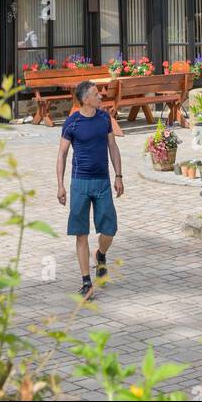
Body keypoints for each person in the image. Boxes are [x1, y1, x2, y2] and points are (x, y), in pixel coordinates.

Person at [56, 80, 124, 300]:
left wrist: (119, 176)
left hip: (102, 181)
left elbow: (113, 147)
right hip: (80, 183)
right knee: (81, 232)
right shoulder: (72, 122)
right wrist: (60, 185)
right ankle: (87, 283)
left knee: (109, 229)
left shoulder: (105, 118)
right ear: (86, 99)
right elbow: (62, 154)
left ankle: (101, 254)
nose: (101, 97)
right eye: (97, 94)